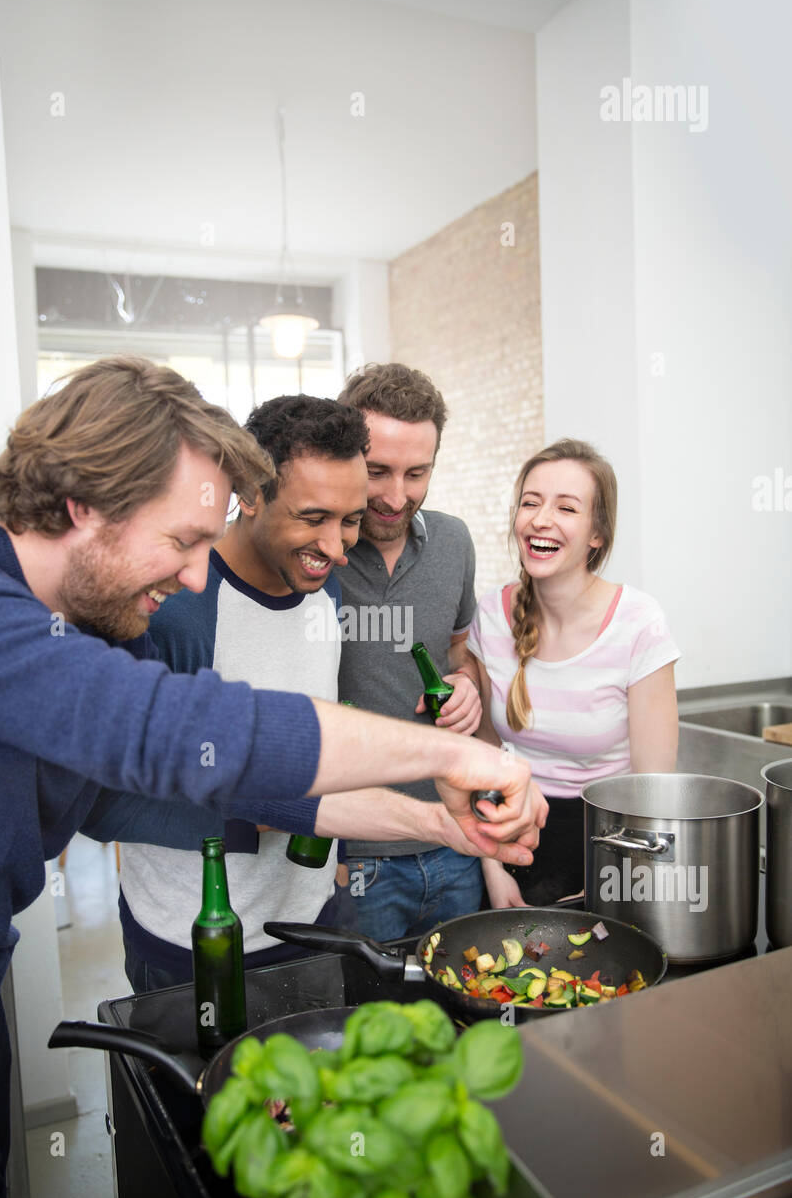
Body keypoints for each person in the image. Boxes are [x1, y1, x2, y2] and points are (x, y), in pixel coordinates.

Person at [0, 355, 543, 1198]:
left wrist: (442, 825)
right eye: (180, 541)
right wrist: (458, 753)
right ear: (89, 504)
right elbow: (182, 731)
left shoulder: (75, 620)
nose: (191, 574)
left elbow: (249, 784)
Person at [97, 395, 532, 989]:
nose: (335, 547)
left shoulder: (322, 591)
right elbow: (143, 790)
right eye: (313, 517)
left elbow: (314, 754)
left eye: (350, 520)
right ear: (248, 493)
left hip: (309, 926)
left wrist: (441, 825)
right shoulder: (179, 608)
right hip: (194, 940)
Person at [467, 438, 680, 908]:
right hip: (512, 841)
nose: (541, 520)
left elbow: (654, 789)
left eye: (566, 508)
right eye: (530, 503)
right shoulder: (492, 616)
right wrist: (494, 867)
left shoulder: (639, 622)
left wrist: (617, 875)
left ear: (597, 534)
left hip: (611, 843)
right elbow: (480, 755)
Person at [335, 363, 491, 941]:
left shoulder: (453, 541)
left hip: (455, 840)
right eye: (377, 472)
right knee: (374, 1025)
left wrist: (469, 686)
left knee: (462, 1016)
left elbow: (458, 655)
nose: (396, 496)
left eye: (417, 473)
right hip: (354, 859)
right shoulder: (316, 554)